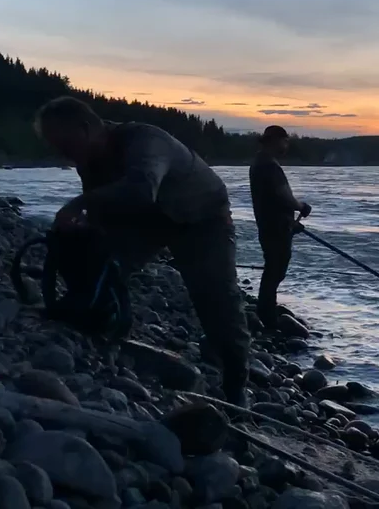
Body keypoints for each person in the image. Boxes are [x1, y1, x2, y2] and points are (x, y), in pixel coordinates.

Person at [33, 95, 250, 406]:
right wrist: (81, 229)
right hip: (146, 220)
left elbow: (141, 188)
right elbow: (101, 214)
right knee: (100, 259)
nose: (65, 157)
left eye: (66, 148)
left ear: (85, 129)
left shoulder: (145, 140)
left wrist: (78, 204)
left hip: (202, 217)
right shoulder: (89, 162)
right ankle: (94, 322)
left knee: (217, 300)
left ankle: (235, 386)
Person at [249, 125, 311, 329]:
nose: (287, 144)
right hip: (276, 227)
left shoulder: (259, 162)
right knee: (275, 270)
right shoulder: (269, 165)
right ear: (275, 141)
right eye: (285, 141)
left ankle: (265, 311)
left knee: (273, 269)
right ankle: (267, 315)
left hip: (270, 225)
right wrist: (301, 206)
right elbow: (283, 195)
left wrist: (292, 224)